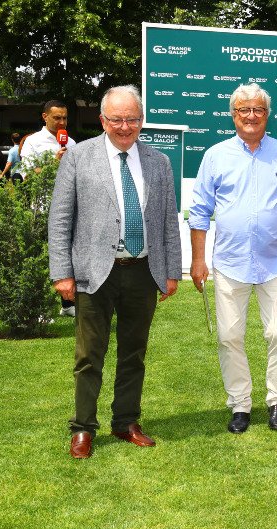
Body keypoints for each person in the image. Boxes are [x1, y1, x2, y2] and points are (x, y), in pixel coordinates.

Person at [48, 85, 182, 459]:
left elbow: (168, 222)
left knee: (134, 354)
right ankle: (83, 428)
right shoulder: (78, 157)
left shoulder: (159, 162)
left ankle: (126, 422)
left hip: (143, 271)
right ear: (102, 120)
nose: (125, 127)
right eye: (117, 119)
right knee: (89, 355)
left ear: (142, 120)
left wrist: (172, 270)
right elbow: (60, 219)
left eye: (133, 119)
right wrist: (62, 272)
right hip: (93, 272)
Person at [189, 83, 277, 434]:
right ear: (233, 115)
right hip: (229, 263)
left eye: (258, 110)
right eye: (243, 110)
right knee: (228, 336)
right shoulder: (216, 156)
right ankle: (240, 406)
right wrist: (198, 260)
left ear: (267, 115)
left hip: (276, 261)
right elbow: (200, 212)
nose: (251, 116)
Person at [23, 100, 78, 317]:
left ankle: (67, 305)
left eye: (64, 117)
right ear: (44, 117)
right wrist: (53, 163)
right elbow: (26, 173)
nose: (61, 122)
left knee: (67, 256)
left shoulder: (71, 143)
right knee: (40, 258)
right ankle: (39, 309)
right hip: (42, 207)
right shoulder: (33, 142)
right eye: (57, 117)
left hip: (68, 208)